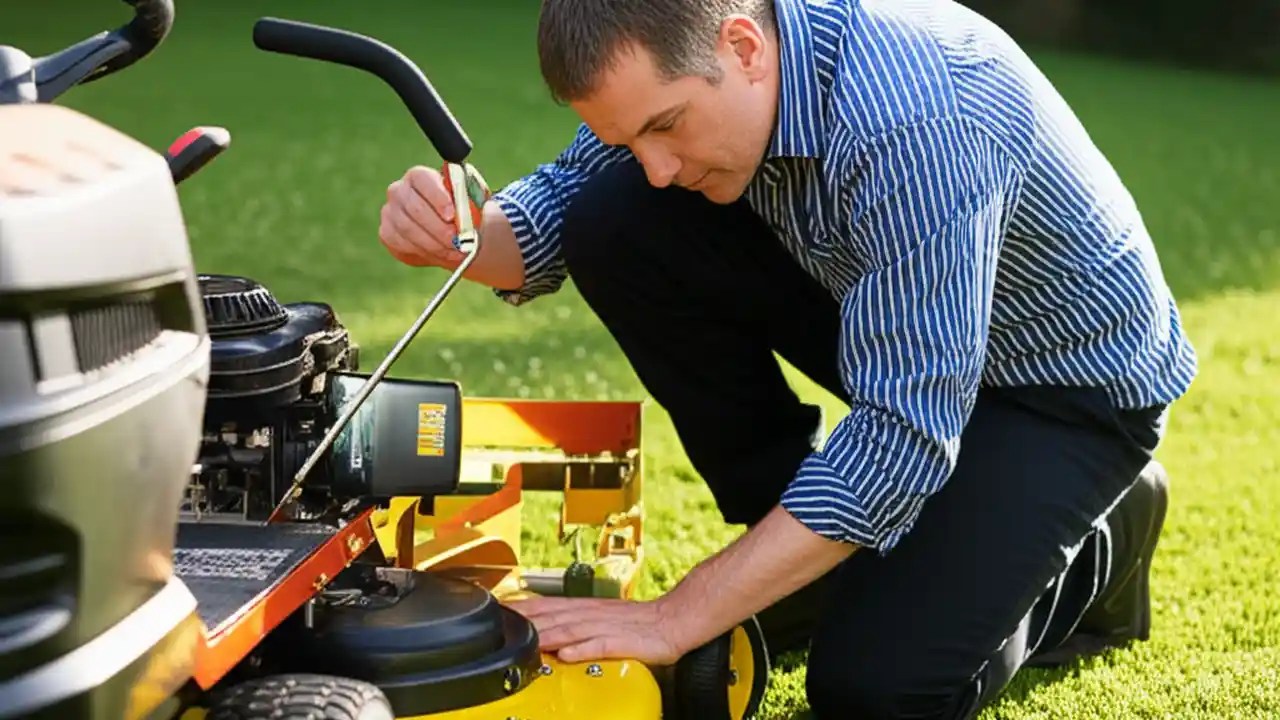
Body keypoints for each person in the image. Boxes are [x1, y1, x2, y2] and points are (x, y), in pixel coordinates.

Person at [377, 0, 1198, 716]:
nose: (657, 164)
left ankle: (1101, 539)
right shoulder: (701, 60)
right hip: (891, 312)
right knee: (613, 214)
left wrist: (676, 616)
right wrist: (466, 238)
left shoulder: (917, 115)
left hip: (1059, 389)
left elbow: (904, 436)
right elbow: (565, 203)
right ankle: (808, 562)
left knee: (877, 691)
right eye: (629, 136)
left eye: (665, 126)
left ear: (742, 47)